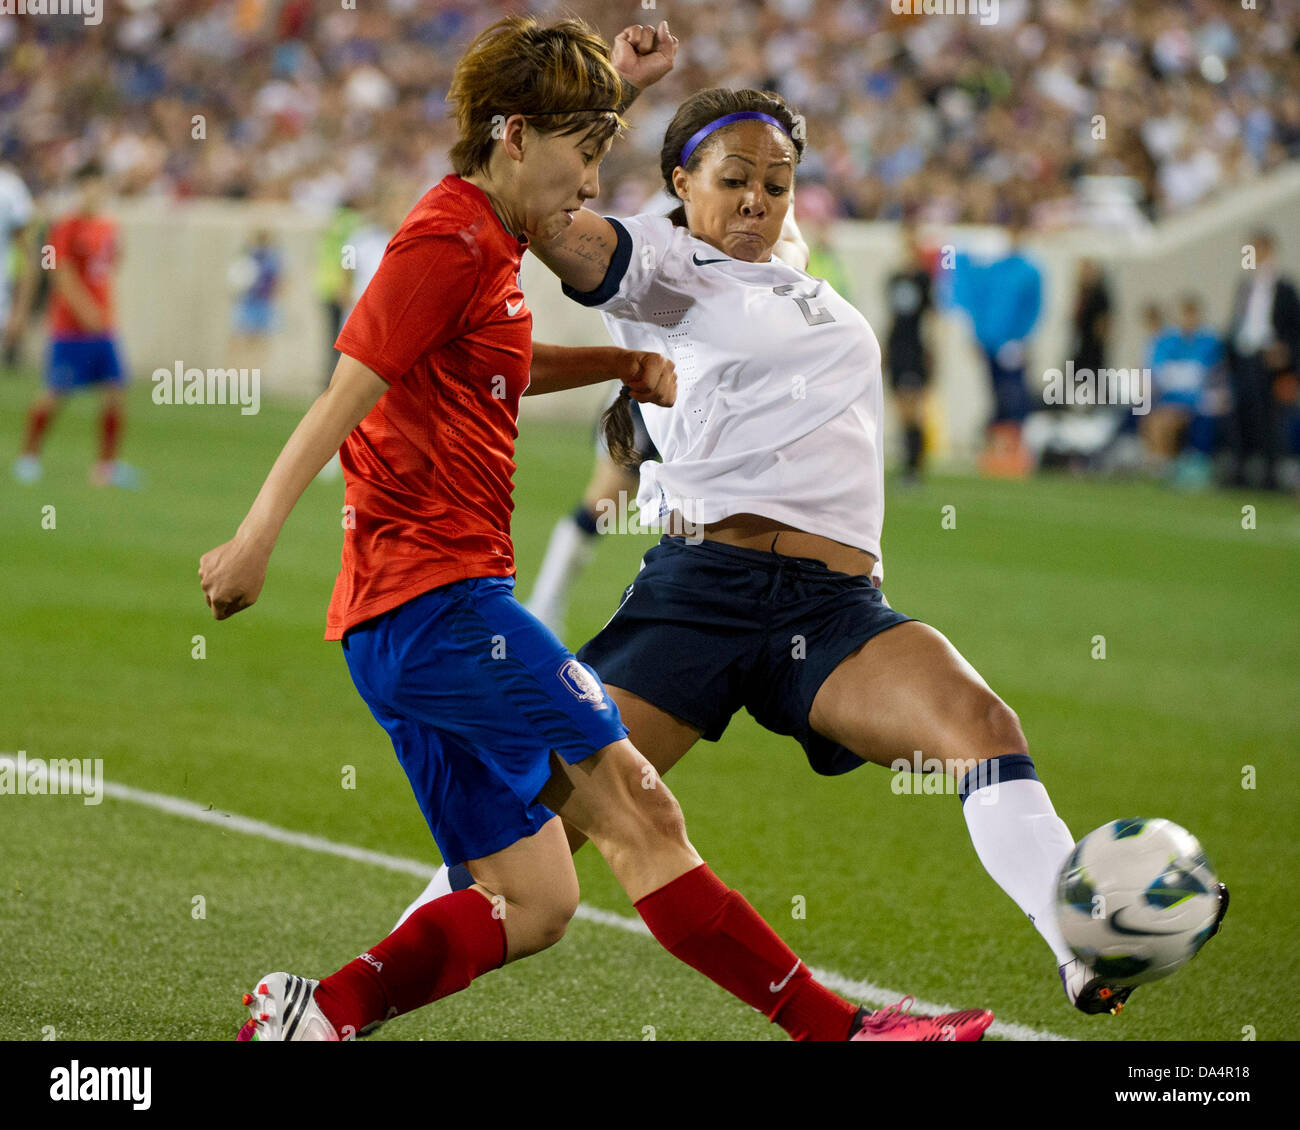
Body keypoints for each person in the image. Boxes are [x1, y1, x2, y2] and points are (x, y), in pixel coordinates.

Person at [199, 16, 988, 1044]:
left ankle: (323, 1015)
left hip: (393, 630)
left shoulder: (485, 236)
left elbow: (488, 366)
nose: (591, 184)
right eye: (583, 155)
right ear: (515, 136)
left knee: (536, 896)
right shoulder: (445, 239)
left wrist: (617, 363)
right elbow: (350, 387)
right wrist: (257, 533)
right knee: (642, 816)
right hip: (445, 608)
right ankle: (843, 1033)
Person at [402, 84, 1228, 1017]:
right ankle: (344, 1002)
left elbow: (765, 239)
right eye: (734, 180)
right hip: (698, 595)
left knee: (984, 731)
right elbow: (528, 201)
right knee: (533, 822)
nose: (758, 200)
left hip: (834, 611)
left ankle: (1080, 946)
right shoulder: (652, 262)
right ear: (682, 179)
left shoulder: (791, 268)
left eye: (778, 182)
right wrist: (608, 91)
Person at [13, 163, 138, 488]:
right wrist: (85, 310)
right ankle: (29, 456)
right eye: (90, 185)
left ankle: (106, 466)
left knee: (115, 390)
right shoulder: (65, 227)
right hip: (71, 327)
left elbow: (110, 266)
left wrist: (103, 310)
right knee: (56, 392)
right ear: (80, 187)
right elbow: (59, 271)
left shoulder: (109, 226)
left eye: (101, 185)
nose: (96, 192)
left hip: (103, 325)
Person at [1224, 229, 1300, 490]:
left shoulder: (1285, 287)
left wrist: (1285, 351)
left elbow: (1293, 329)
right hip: (1244, 357)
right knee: (1241, 415)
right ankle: (1240, 471)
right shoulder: (1245, 285)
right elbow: (1235, 324)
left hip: (1269, 361)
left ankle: (1269, 474)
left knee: (1267, 417)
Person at [1143, 294, 1226, 489]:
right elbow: (1161, 374)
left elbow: (1210, 378)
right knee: (1156, 419)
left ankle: (1175, 468)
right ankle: (1162, 466)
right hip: (1172, 400)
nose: (1187, 320)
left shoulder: (1209, 342)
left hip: (1198, 403)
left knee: (1168, 420)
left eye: (1191, 315)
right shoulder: (1168, 341)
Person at [883, 222, 935, 484]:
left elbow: (932, 318)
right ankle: (908, 465)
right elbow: (892, 317)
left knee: (913, 409)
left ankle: (916, 465)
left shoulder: (924, 280)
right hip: (897, 348)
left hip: (914, 349)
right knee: (900, 409)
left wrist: (932, 351)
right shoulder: (894, 278)